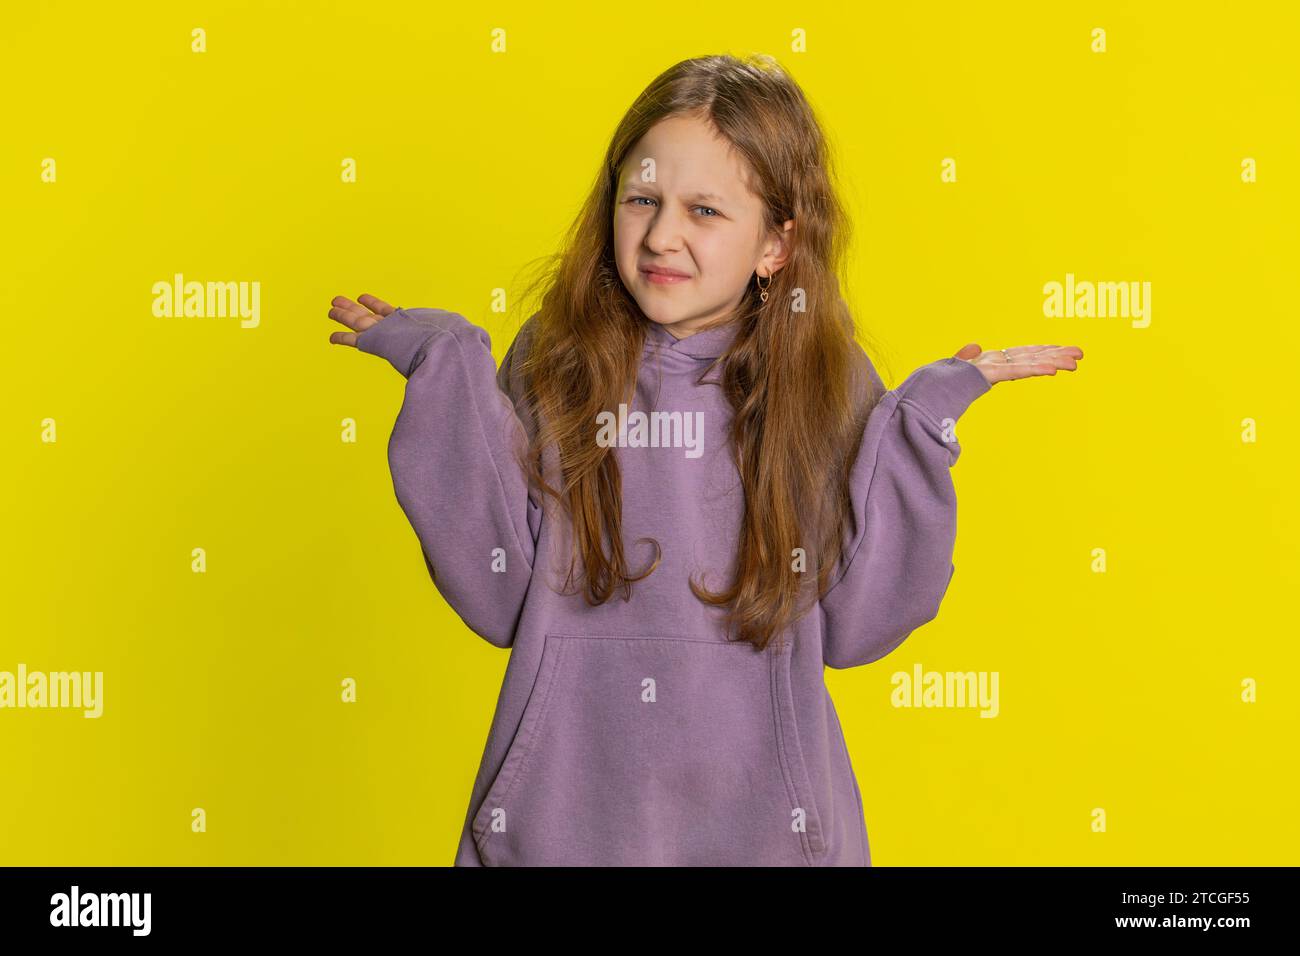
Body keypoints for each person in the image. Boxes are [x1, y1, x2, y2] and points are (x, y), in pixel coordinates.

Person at [327, 53, 1083, 866]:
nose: (661, 236)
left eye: (706, 211)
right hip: (555, 830)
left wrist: (921, 422)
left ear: (776, 245)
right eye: (642, 199)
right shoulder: (555, 360)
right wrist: (447, 371)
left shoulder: (823, 383)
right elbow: (499, 591)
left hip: (772, 839)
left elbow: (859, 625)